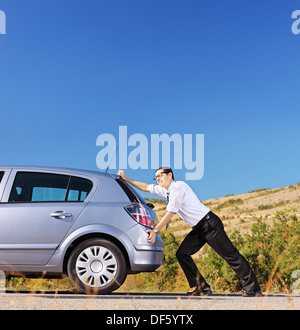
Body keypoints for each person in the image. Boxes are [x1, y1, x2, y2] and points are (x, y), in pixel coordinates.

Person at [117, 167, 262, 297]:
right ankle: (202, 287)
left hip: (210, 224)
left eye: (160, 175)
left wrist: (155, 231)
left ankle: (254, 289)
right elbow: (146, 187)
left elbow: (170, 212)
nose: (158, 179)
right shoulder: (167, 191)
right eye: (156, 177)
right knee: (182, 253)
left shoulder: (178, 187)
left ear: (170, 175)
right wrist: (126, 179)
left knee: (231, 256)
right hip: (199, 228)